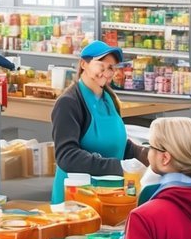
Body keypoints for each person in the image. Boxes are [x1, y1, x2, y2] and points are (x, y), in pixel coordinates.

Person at [49, 40, 147, 204]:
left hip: (108, 193)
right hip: (76, 198)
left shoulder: (109, 99)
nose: (107, 72)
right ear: (83, 64)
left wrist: (143, 154)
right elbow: (67, 156)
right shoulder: (69, 103)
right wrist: (119, 167)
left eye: (111, 68)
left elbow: (115, 143)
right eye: (101, 65)